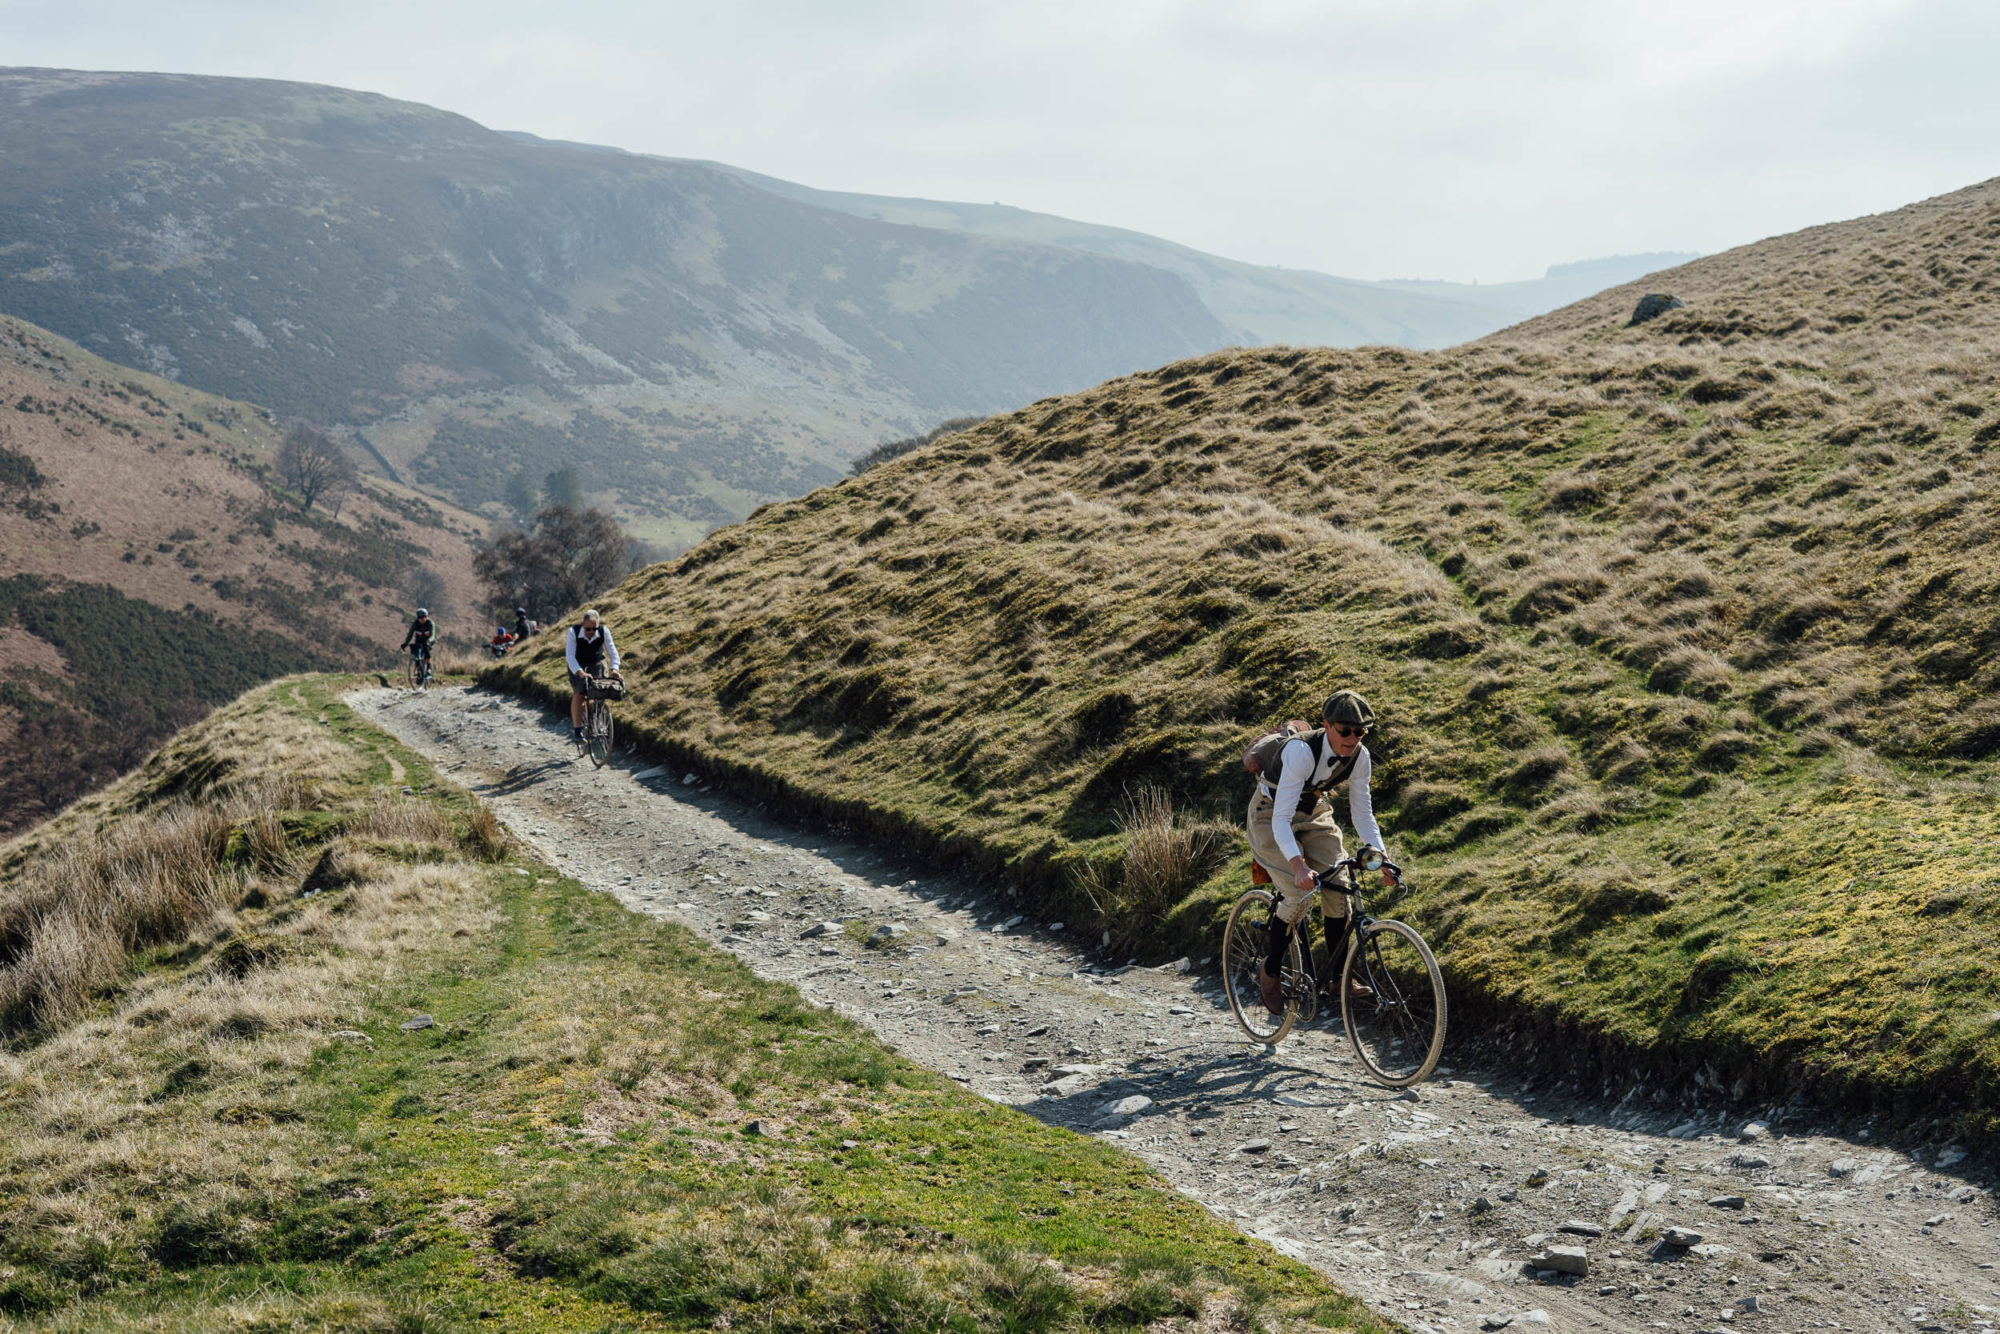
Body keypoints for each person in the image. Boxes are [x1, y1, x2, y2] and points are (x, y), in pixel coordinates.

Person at [1248, 689, 1399, 1014]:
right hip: (1269, 814)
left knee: (1340, 888)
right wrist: (1298, 865)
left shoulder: (1360, 757)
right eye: (1345, 731)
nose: (1352, 738)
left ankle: (1339, 979)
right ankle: (1269, 971)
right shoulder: (1301, 752)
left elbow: (1363, 813)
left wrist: (1383, 857)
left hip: (1314, 812)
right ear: (1327, 725)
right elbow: (1281, 819)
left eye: (1360, 732)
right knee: (1298, 894)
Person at [565, 608, 623, 743]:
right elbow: (570, 656)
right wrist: (580, 672)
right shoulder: (573, 632)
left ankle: (596, 716)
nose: (591, 632)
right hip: (578, 663)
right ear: (582, 625)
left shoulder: (604, 631)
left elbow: (613, 652)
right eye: (588, 629)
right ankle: (578, 730)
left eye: (594, 629)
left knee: (601, 689)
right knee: (579, 693)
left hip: (597, 661)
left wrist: (614, 668)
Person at [400, 608, 436, 675]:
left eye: (423, 618)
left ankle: (429, 667)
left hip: (429, 639)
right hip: (419, 640)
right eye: (420, 618)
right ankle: (417, 669)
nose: (421, 620)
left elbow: (432, 635)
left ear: (426, 617)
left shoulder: (430, 623)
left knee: (426, 649)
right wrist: (406, 643)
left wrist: (429, 640)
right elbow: (410, 634)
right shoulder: (415, 623)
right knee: (417, 653)